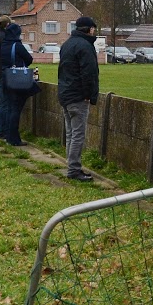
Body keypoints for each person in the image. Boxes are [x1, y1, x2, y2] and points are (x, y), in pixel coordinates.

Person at [57, 16, 101, 181]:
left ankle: (71, 165)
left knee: (70, 133)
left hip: (66, 94)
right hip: (78, 96)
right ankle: (74, 169)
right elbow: (89, 74)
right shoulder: (86, 46)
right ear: (89, 29)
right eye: (93, 29)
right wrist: (89, 95)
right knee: (77, 134)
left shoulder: (67, 44)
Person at [0, 16, 33, 146]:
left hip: (5, 77)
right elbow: (29, 59)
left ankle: (7, 134)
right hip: (16, 79)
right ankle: (14, 138)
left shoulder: (4, 44)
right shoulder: (17, 45)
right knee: (15, 109)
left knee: (8, 107)